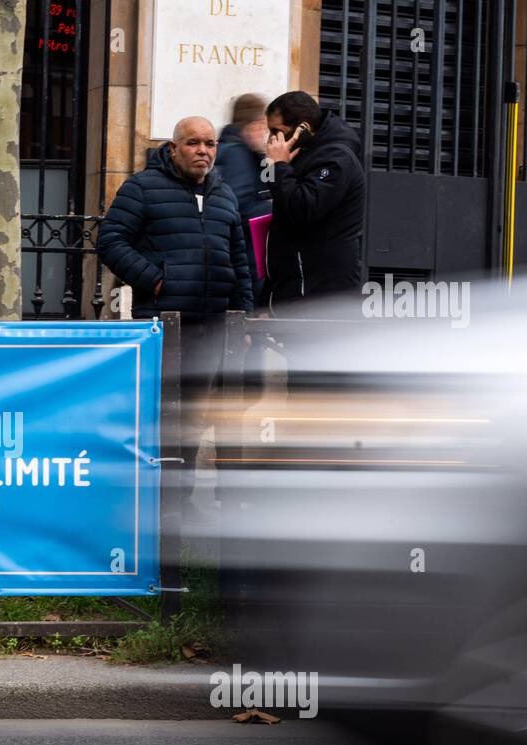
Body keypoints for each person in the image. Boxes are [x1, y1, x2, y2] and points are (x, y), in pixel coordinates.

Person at [97, 116, 253, 518]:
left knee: (199, 417)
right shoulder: (142, 188)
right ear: (173, 148)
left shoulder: (225, 194)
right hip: (166, 324)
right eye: (193, 143)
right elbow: (111, 240)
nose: (203, 150)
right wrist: (156, 281)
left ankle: (185, 504)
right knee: (164, 413)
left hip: (215, 325)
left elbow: (240, 259)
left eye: (210, 143)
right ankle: (156, 504)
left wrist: (244, 316)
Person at [262, 91, 366, 310]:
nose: (272, 140)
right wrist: (273, 165)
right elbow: (265, 183)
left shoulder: (335, 158)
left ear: (303, 128)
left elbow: (303, 207)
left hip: (321, 294)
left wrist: (279, 166)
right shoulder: (303, 152)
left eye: (277, 132)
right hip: (295, 285)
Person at [215, 93, 273, 285]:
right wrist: (273, 209)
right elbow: (237, 205)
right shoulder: (236, 155)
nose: (265, 133)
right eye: (263, 126)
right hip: (244, 257)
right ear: (254, 126)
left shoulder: (236, 150)